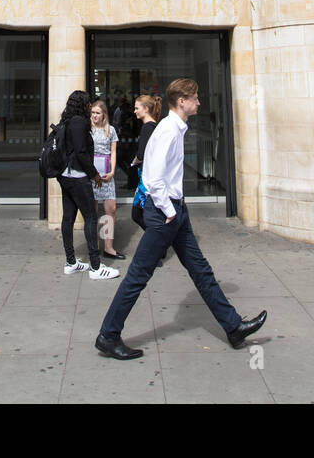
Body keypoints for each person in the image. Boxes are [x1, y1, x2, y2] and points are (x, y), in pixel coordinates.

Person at [95, 78, 266, 360]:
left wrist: (176, 210)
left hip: (175, 211)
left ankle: (233, 327)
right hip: (165, 212)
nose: (199, 102)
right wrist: (170, 211)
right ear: (182, 101)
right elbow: (153, 178)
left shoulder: (173, 128)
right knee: (138, 275)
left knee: (201, 270)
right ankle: (108, 335)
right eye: (195, 98)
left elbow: (150, 168)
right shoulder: (168, 131)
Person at [55, 91, 119, 280]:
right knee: (91, 216)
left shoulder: (65, 121)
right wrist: (95, 175)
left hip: (65, 176)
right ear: (83, 104)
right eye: (88, 102)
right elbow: (82, 153)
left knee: (68, 218)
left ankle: (71, 262)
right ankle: (96, 267)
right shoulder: (80, 122)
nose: (90, 106)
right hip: (78, 177)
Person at [90, 98, 125, 260]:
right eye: (92, 113)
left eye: (97, 113)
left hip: (106, 175)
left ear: (104, 115)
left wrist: (112, 172)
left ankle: (108, 247)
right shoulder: (87, 130)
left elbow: (113, 152)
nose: (94, 116)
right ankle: (94, 247)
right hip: (91, 175)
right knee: (93, 211)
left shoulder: (110, 130)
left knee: (110, 209)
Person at [129, 94, 161, 231]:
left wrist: (134, 162)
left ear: (146, 109)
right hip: (151, 176)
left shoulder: (147, 127)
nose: (134, 111)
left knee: (137, 214)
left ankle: (157, 240)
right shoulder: (154, 127)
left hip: (147, 178)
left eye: (137, 108)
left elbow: (141, 155)